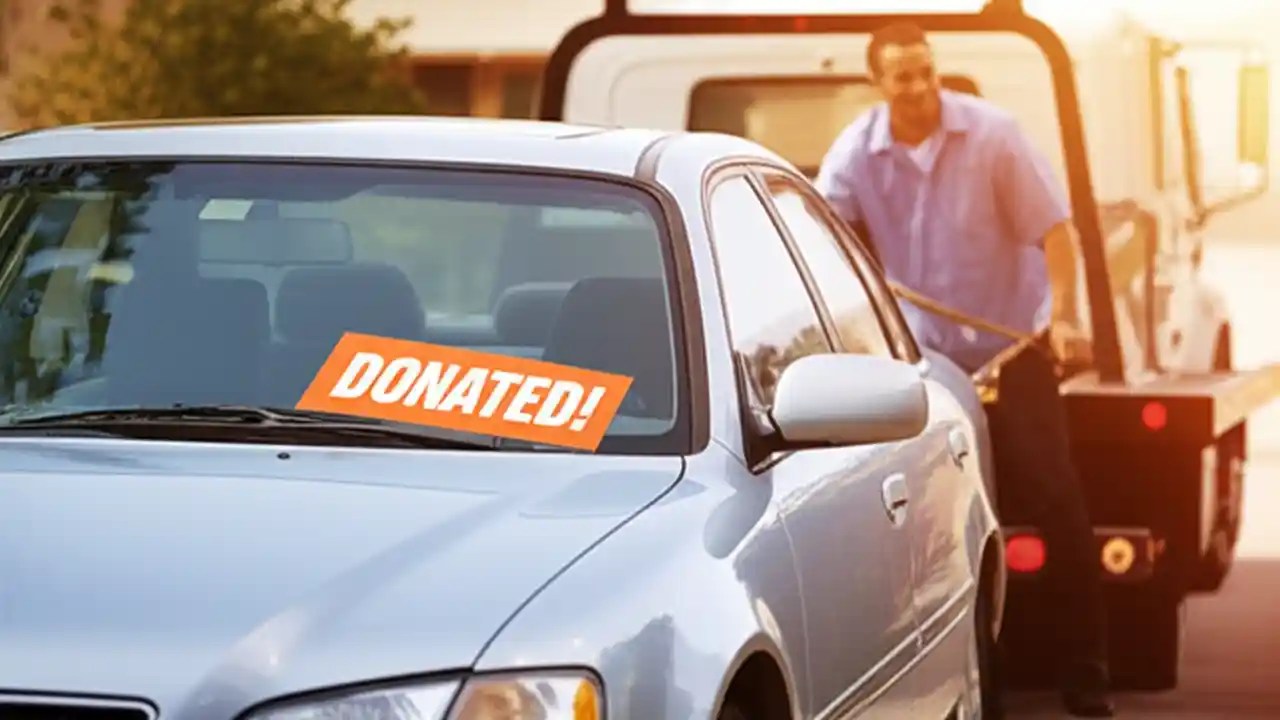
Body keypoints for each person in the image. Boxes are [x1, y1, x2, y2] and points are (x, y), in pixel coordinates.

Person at [815, 21, 1115, 719]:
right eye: (903, 76)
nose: (919, 87)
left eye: (926, 71)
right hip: (930, 369)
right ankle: (981, 683)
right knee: (943, 519)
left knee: (1057, 498)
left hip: (1014, 353)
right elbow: (824, 235)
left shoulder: (994, 135)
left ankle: (1088, 670)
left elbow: (1056, 232)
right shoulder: (855, 154)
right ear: (878, 82)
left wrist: (1064, 318)